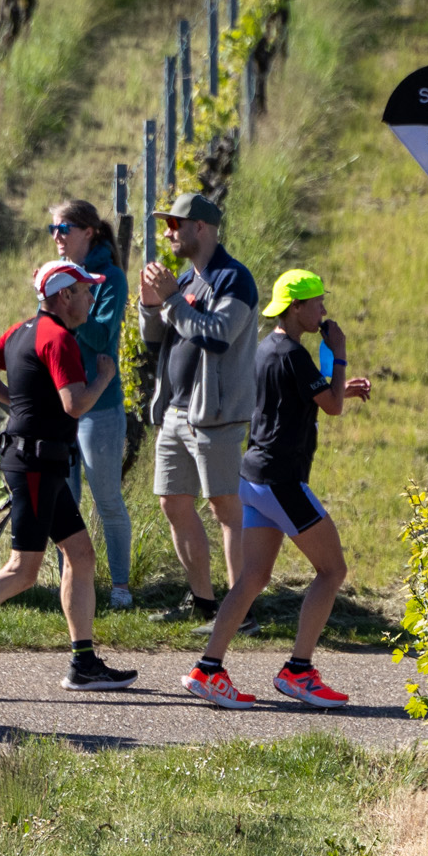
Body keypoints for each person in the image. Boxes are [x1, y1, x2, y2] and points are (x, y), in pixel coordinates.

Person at [185, 269, 371, 710]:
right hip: (281, 481)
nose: (324, 310)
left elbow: (316, 397)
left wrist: (339, 379)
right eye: (318, 303)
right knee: (333, 571)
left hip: (253, 477)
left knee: (253, 577)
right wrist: (339, 353)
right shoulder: (293, 354)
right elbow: (333, 407)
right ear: (296, 307)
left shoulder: (269, 347)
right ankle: (298, 671)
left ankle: (208, 670)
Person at [0, 260, 137, 692]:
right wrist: (105, 378)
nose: (91, 299)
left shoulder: (22, 331)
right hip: (36, 466)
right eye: (85, 292)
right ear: (64, 296)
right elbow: (75, 404)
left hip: (43, 463)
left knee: (80, 555)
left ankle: (83, 663)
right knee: (22, 571)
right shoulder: (59, 339)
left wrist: (17, 404)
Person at [138, 191, 257, 623]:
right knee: (173, 502)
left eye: (175, 224)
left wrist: (169, 301)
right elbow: (156, 341)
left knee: (225, 508)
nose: (169, 233)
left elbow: (219, 335)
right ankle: (203, 602)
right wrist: (150, 304)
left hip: (216, 416)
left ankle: (240, 610)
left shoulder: (233, 279)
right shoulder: (185, 281)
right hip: (176, 411)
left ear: (200, 227)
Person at [49, 198, 135, 609]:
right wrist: (69, 312)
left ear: (88, 232)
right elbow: (47, 333)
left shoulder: (111, 277)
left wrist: (65, 312)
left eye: (63, 229)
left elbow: (101, 338)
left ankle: (120, 585)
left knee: (106, 499)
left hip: (100, 405)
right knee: (64, 498)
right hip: (62, 402)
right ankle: (72, 580)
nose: (56, 237)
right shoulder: (60, 278)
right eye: (52, 230)